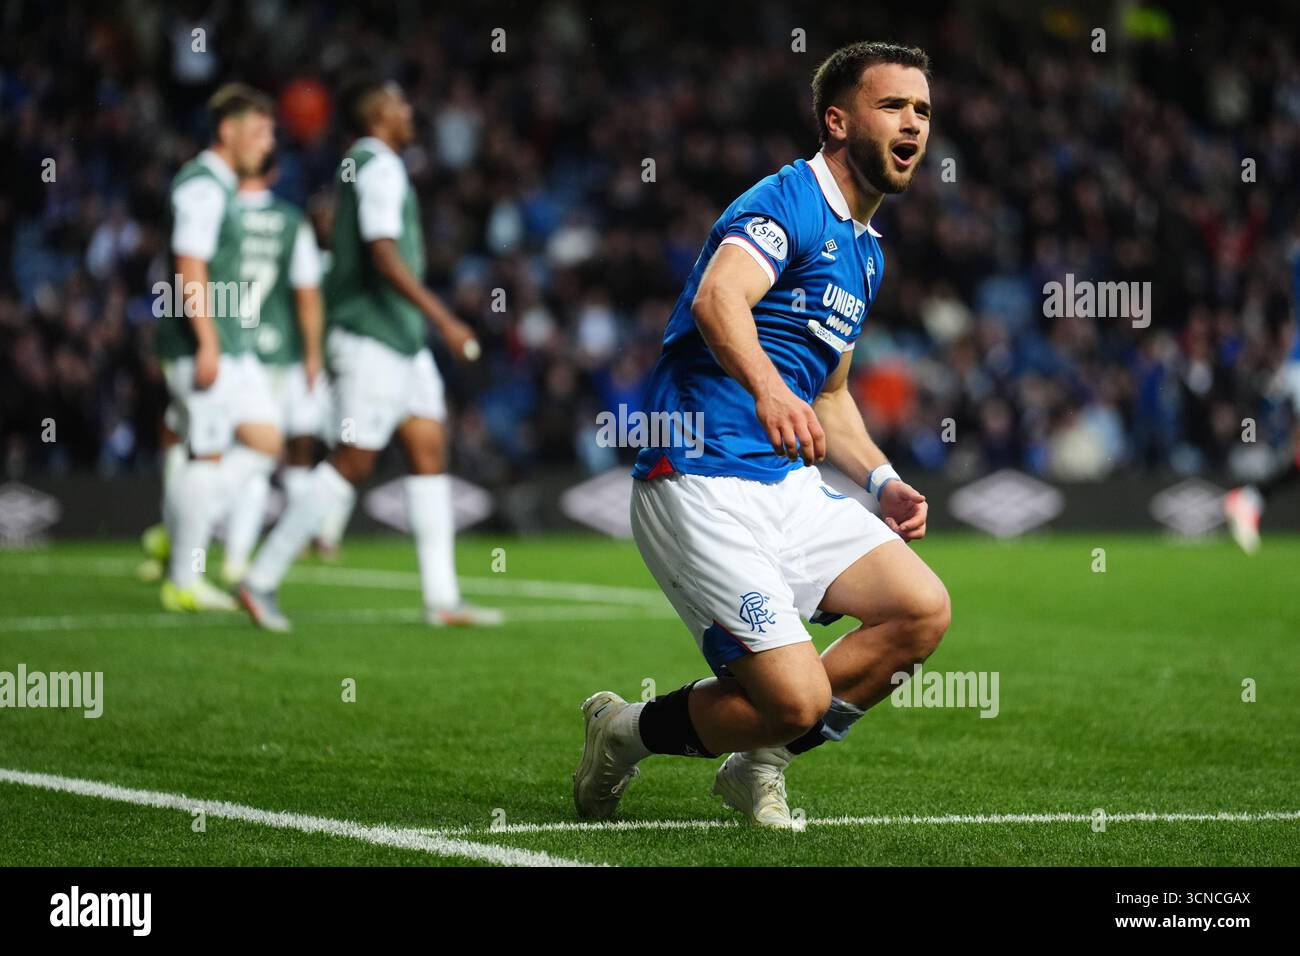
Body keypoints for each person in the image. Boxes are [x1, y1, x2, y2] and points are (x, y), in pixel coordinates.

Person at [574, 42, 950, 827]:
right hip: (700, 479)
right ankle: (623, 732)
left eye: (921, 109)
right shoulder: (787, 200)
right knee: (796, 697)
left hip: (787, 486)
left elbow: (835, 393)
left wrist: (881, 479)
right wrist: (772, 391)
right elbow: (719, 299)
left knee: (919, 611)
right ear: (838, 121)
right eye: (893, 106)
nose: (913, 122)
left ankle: (760, 766)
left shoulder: (865, 252)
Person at [238, 76, 500, 631]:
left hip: (397, 339)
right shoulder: (379, 164)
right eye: (401, 102)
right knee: (355, 459)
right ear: (380, 113)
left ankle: (443, 598)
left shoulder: (359, 164)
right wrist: (446, 319)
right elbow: (383, 253)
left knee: (429, 446)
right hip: (373, 336)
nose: (410, 110)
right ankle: (260, 580)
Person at [154, 83, 281, 613]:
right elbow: (189, 265)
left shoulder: (222, 185)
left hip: (231, 346)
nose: (268, 141)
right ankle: (185, 576)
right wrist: (206, 341)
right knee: (206, 453)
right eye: (259, 130)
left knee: (267, 440)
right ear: (227, 132)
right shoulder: (202, 185)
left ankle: (185, 523)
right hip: (203, 345)